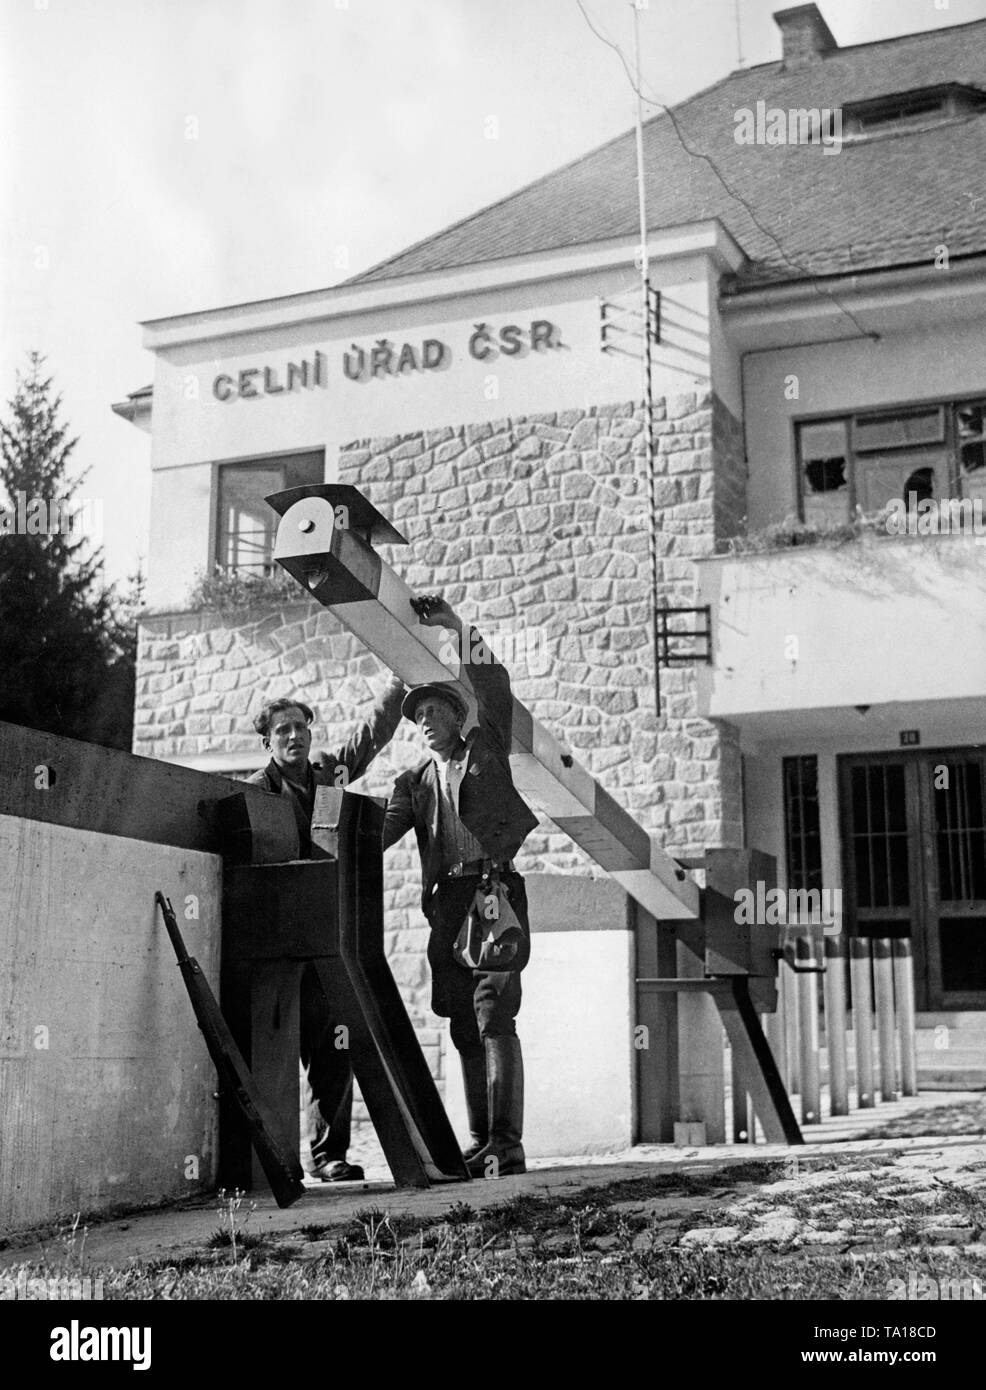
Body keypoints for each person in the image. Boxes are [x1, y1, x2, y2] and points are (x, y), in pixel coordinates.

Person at [383, 597, 538, 1177]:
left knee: (496, 1013)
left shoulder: (485, 747)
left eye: (432, 711)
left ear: (455, 715)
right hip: (446, 906)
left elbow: (493, 683)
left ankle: (508, 1142)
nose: (424, 721)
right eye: (416, 714)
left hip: (492, 895)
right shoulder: (413, 781)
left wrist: (453, 627)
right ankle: (481, 1143)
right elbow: (376, 833)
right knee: (460, 1020)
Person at [247, 675, 405, 1180]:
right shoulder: (255, 791)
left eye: (301, 727)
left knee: (334, 1046)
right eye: (282, 731)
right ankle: (270, 1163)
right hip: (275, 946)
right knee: (270, 1051)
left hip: (324, 940)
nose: (294, 737)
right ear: (267, 741)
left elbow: (368, 739)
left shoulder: (327, 779)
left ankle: (327, 1155)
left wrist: (400, 683)